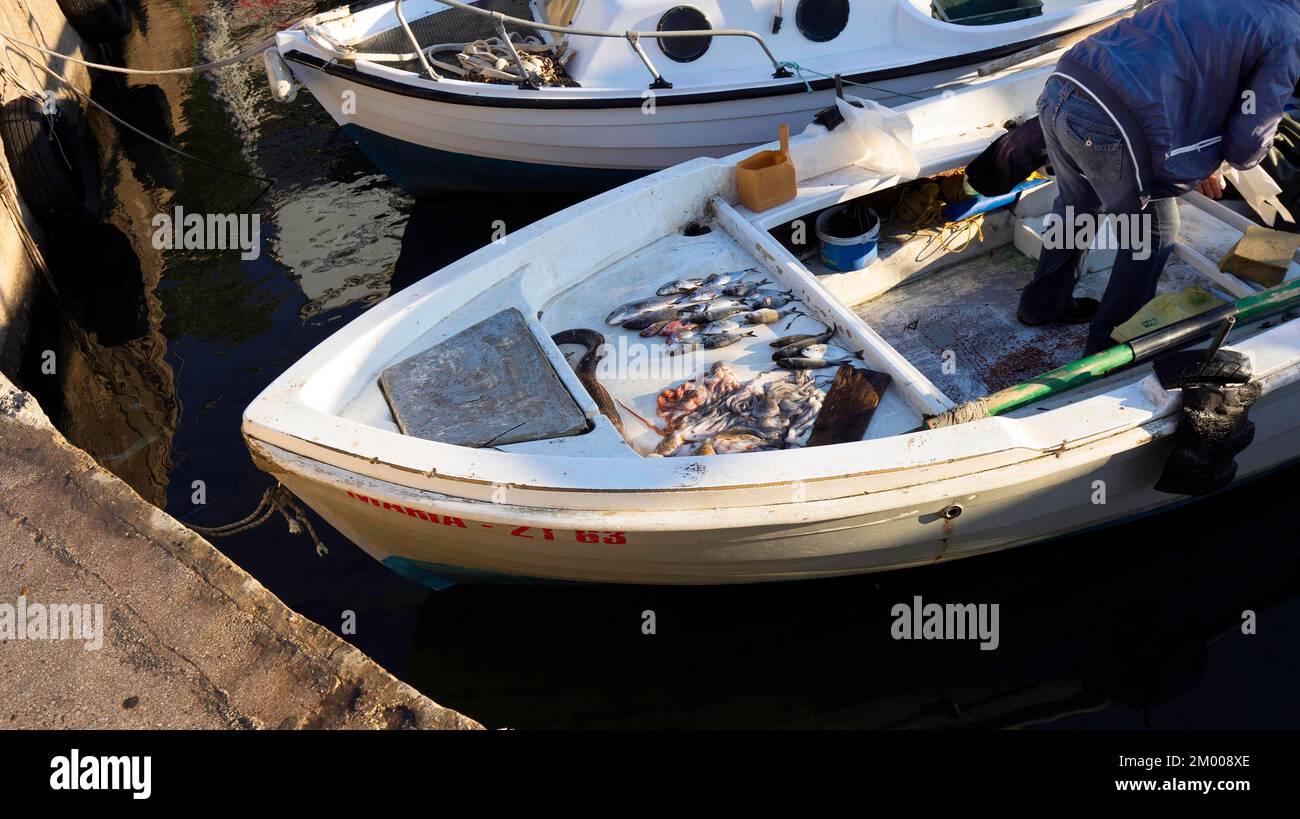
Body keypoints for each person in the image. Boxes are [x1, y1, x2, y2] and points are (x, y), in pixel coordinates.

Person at [1016, 0, 1300, 354]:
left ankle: (1041, 304)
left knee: (1075, 205)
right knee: (1152, 234)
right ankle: (1108, 350)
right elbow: (1247, 144)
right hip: (1112, 121)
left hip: (1065, 83)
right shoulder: (1289, 31)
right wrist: (1220, 162)